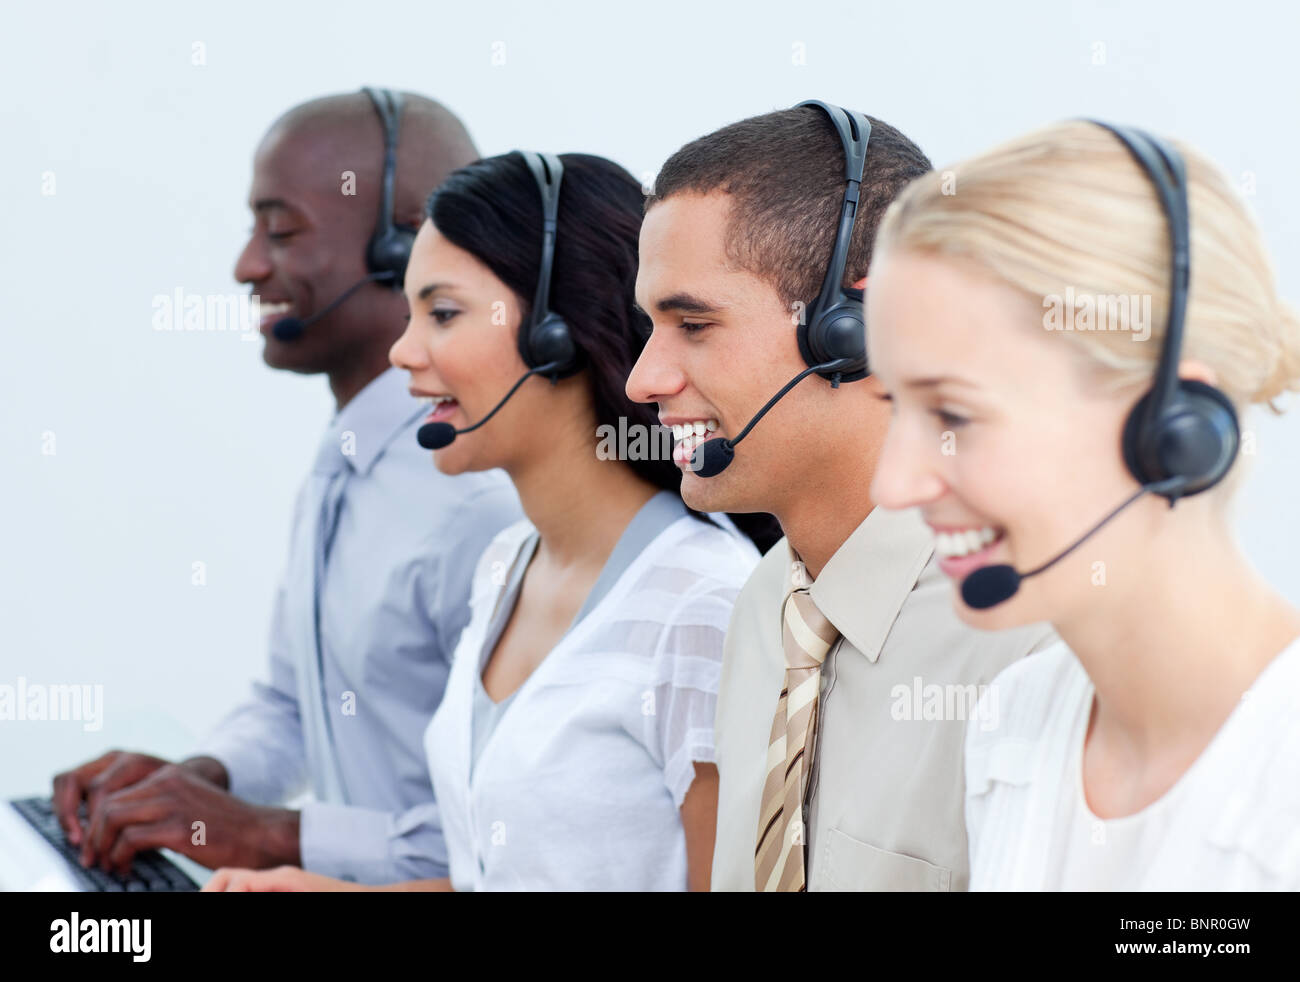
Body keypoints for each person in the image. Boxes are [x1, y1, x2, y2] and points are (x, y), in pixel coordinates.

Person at [203, 149, 778, 892]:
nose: (403, 352)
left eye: (443, 314)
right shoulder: (508, 564)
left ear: (554, 334)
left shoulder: (700, 607)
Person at [51, 89, 521, 884]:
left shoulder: (479, 504)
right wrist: (197, 783)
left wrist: (271, 838)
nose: (246, 265)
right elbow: (295, 706)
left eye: (282, 229)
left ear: (402, 241)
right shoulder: (344, 467)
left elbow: (510, 844)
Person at [626, 101, 1055, 892]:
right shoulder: (767, 607)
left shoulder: (1033, 644)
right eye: (650, 327)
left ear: (858, 327)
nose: (642, 379)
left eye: (693, 324)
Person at [864, 119, 1300, 889]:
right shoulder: (1016, 722)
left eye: (954, 416)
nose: (892, 486)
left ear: (1172, 430)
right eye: (895, 403)